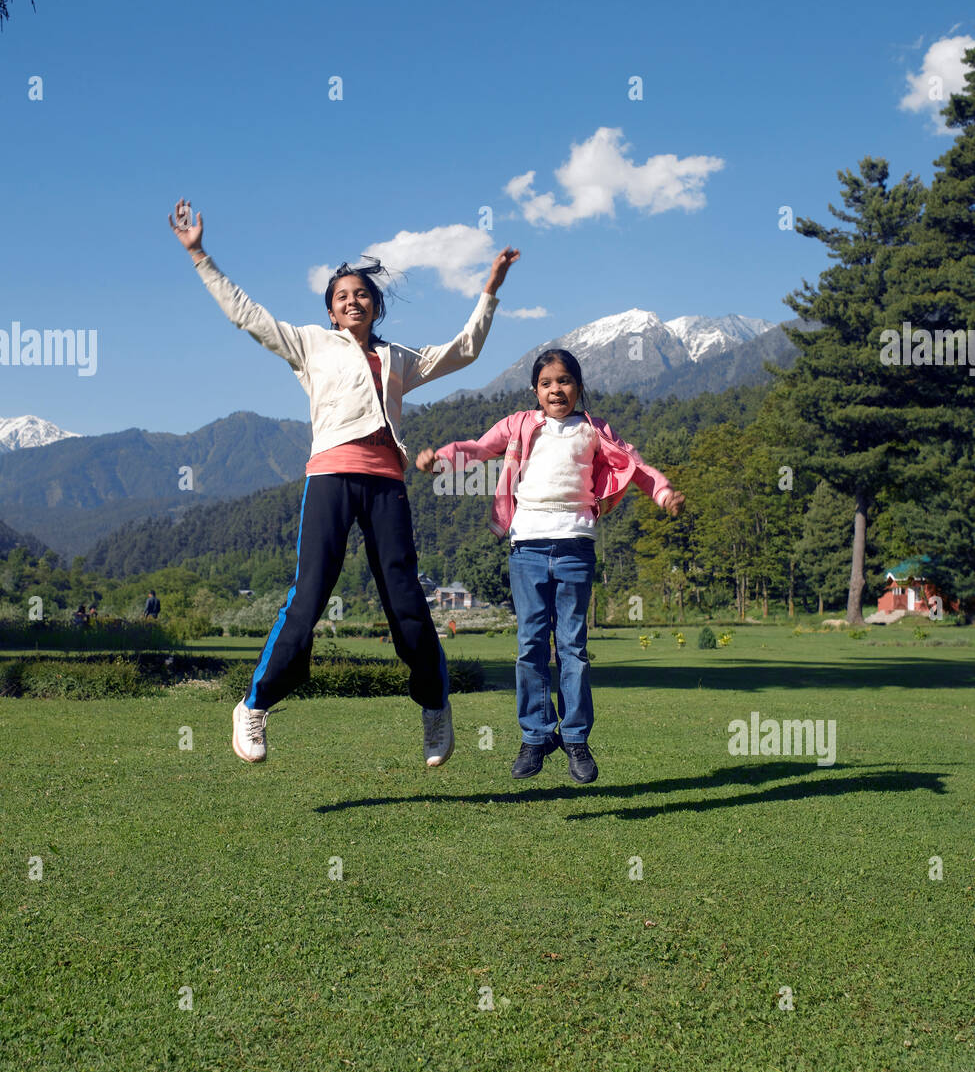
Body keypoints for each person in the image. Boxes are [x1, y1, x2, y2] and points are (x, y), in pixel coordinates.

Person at [169, 197, 519, 767]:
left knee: (406, 600)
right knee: (307, 600)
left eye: (361, 294)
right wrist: (200, 255)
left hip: (386, 485)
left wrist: (490, 289)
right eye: (341, 296)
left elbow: (465, 351)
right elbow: (247, 314)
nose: (351, 301)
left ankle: (434, 703)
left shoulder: (398, 358)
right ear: (331, 312)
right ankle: (255, 704)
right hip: (331, 477)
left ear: (375, 306)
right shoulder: (309, 344)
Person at [417, 349, 685, 784]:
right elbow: (480, 449)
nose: (555, 389)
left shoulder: (595, 430)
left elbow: (635, 467)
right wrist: (443, 458)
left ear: (578, 387)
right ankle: (536, 737)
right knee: (530, 645)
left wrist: (664, 493)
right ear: (535, 391)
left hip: (576, 545)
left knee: (573, 646)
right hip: (527, 547)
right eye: (546, 383)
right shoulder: (519, 424)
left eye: (564, 381)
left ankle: (576, 738)